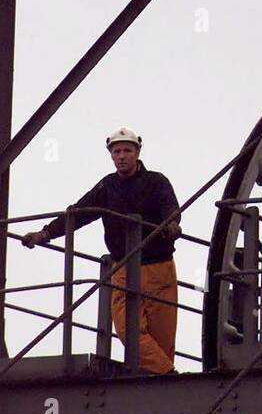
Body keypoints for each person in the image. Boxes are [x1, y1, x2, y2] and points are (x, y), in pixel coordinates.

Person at [22, 127, 181, 375]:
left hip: (159, 269)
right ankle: (169, 377)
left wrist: (172, 223)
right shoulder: (107, 187)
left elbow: (169, 206)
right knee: (129, 332)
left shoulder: (156, 182)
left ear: (137, 153)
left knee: (161, 339)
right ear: (110, 155)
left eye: (127, 150)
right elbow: (79, 213)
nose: (121, 156)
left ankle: (158, 380)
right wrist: (46, 233)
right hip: (123, 269)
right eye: (116, 151)